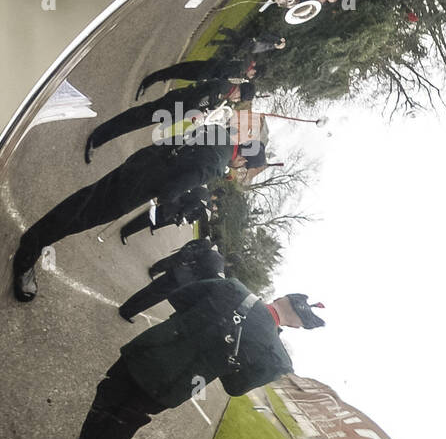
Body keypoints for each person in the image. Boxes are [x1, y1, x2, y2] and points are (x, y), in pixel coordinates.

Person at [76, 285, 324, 439]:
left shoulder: (233, 288)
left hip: (151, 349)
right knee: (130, 416)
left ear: (280, 298)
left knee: (109, 395)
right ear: (296, 324)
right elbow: (235, 387)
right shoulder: (277, 356)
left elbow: (178, 297)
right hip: (176, 381)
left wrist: (193, 326)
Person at [11, 137, 260, 301]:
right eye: (242, 167)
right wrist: (171, 201)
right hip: (140, 185)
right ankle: (28, 251)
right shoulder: (216, 164)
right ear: (244, 159)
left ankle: (36, 238)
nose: (237, 168)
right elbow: (170, 191)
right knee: (82, 214)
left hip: (144, 161)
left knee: (85, 199)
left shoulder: (218, 133)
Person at [84, 79, 255, 161]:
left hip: (177, 108)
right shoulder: (222, 88)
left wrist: (201, 115)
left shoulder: (222, 95)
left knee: (136, 120)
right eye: (239, 98)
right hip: (174, 104)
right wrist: (197, 113)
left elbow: (202, 106)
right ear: (239, 91)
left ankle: (101, 137)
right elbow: (197, 99)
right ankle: (98, 137)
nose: (235, 100)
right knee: (135, 119)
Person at [118, 239, 224, 322]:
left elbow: (190, 254)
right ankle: (128, 312)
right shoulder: (218, 268)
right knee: (153, 298)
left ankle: (126, 307)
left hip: (176, 271)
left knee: (149, 289)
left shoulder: (212, 253)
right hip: (181, 281)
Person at [117, 185, 213, 245]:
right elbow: (185, 210)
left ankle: (127, 228)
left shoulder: (201, 189)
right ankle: (126, 232)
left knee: (146, 216)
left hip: (171, 202)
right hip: (171, 210)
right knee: (147, 221)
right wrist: (180, 220)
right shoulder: (198, 201)